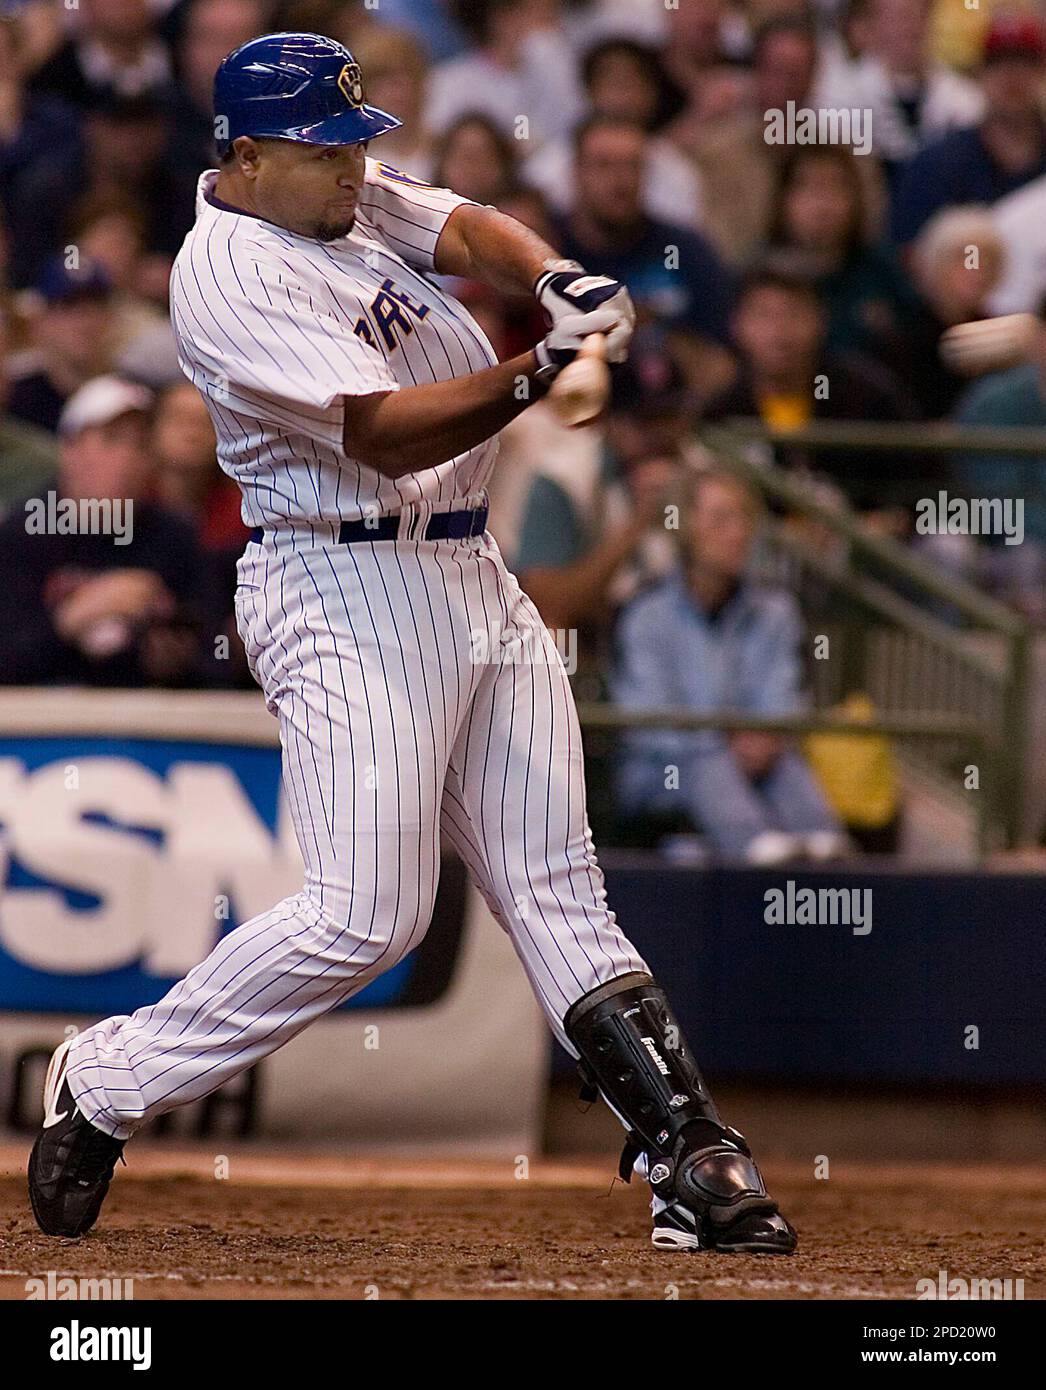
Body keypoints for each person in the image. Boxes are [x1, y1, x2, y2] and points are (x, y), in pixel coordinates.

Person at [27, 30, 797, 1258]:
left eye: (354, 144)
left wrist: (554, 279)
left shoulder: (328, 192)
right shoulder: (225, 271)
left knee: (555, 887)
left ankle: (690, 1157)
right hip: (338, 578)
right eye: (325, 150)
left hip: (466, 565)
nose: (352, 168)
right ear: (246, 154)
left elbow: (463, 225)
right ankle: (108, 1076)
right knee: (362, 916)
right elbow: (380, 434)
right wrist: (535, 370)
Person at [612, 468, 847, 864]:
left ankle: (823, 845)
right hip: (665, 772)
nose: (737, 532)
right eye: (721, 519)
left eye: (744, 518)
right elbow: (649, 722)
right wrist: (725, 744)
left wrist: (767, 737)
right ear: (686, 528)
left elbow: (783, 695)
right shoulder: (646, 614)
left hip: (758, 764)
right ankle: (758, 847)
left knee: (785, 766)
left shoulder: (776, 611)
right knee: (708, 764)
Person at [0, 375, 213, 687]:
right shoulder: (22, 535)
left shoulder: (174, 538)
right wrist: (73, 618)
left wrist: (175, 662)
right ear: (70, 450)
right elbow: (7, 660)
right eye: (112, 440)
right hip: (44, 725)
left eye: (140, 444)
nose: (127, 458)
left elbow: (217, 658)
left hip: (150, 722)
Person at [703, 262, 915, 514]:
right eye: (764, 316)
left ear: (820, 320)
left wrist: (885, 522)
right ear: (737, 325)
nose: (779, 333)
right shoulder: (721, 413)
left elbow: (914, 484)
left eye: (793, 314)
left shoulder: (869, 396)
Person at [554, 113, 735, 404]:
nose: (620, 181)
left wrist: (655, 329)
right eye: (604, 165)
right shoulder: (547, 246)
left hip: (668, 416)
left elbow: (722, 367)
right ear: (576, 172)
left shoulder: (686, 250)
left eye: (632, 166)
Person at [891, 14, 1046, 246]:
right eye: (998, 64)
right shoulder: (938, 164)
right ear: (978, 74)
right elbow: (909, 253)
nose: (1011, 77)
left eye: (1024, 63)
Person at [5, 254, 117, 434]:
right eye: (68, 305)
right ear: (39, 320)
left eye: (96, 304)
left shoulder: (124, 398)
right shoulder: (14, 398)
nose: (84, 320)